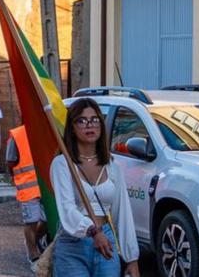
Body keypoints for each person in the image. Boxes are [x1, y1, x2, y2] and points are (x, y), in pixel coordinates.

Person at [50, 98, 140, 277]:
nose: (89, 125)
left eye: (94, 119)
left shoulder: (112, 165)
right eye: (81, 120)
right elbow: (67, 209)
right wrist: (92, 231)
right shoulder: (62, 164)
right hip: (73, 243)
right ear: (72, 128)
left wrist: (132, 259)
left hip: (106, 240)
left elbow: (123, 213)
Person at [7, 125, 47, 270]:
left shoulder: (48, 129)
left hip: (47, 186)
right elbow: (10, 161)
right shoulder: (17, 134)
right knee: (31, 222)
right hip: (28, 187)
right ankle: (33, 254)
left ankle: (33, 242)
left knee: (47, 220)